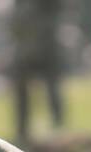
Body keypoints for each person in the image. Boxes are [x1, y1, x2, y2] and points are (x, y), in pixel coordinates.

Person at [10, 0, 66, 142]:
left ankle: (58, 127)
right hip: (25, 42)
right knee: (21, 86)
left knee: (52, 84)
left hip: (45, 40)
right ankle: (22, 131)